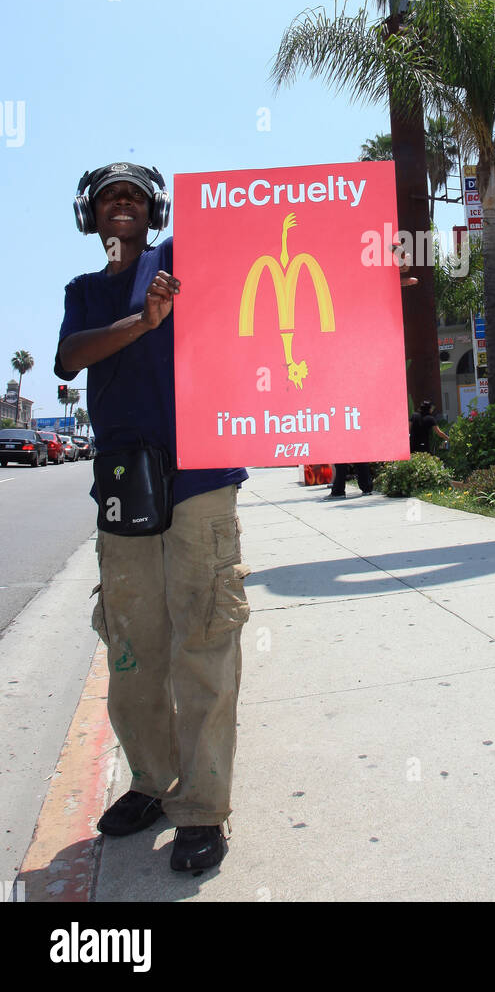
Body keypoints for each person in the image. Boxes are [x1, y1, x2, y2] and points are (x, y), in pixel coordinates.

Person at [55, 163, 248, 874]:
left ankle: (201, 811)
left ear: (156, 209)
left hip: (202, 475)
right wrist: (143, 319)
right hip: (122, 483)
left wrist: (367, 278)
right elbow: (71, 357)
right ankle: (149, 783)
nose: (123, 205)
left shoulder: (183, 262)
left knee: (203, 640)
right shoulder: (85, 293)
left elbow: (267, 251)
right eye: (110, 198)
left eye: (135, 195)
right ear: (92, 217)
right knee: (133, 649)